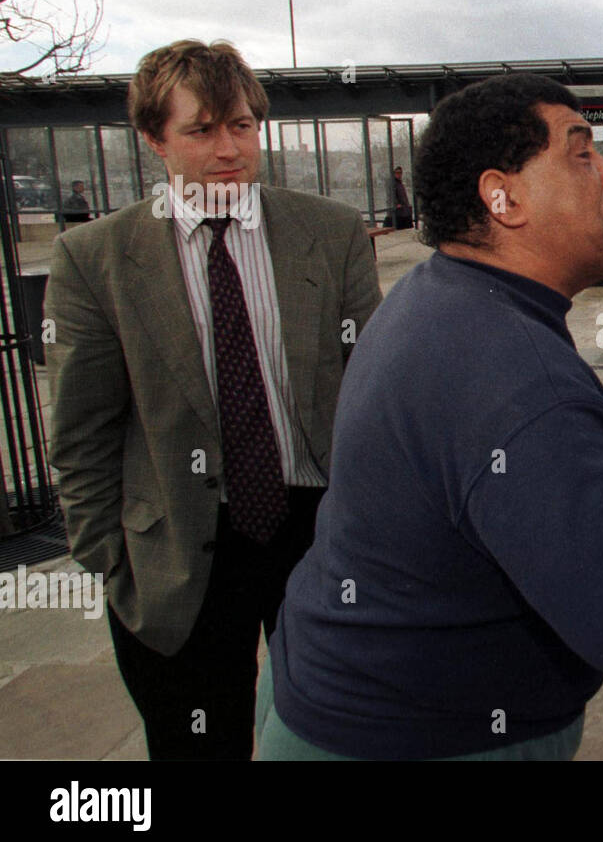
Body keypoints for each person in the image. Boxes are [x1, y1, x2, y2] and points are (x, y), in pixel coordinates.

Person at [258, 73, 603, 761]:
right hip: (414, 737)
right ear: (501, 196)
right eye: (581, 155)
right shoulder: (512, 375)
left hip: (330, 692)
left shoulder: (437, 293)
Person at [44, 39, 382, 761]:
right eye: (202, 130)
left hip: (315, 531)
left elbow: (371, 390)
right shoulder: (95, 259)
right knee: (199, 745)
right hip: (178, 548)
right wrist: (114, 558)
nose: (229, 148)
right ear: (153, 139)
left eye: (243, 126)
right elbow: (81, 434)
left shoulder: (330, 233)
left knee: (338, 737)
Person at [388, 165, 413, 229]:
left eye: (400, 173)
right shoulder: (393, 183)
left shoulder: (400, 183)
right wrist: (397, 204)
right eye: (397, 173)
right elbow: (391, 195)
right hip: (398, 212)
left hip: (403, 210)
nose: (399, 175)